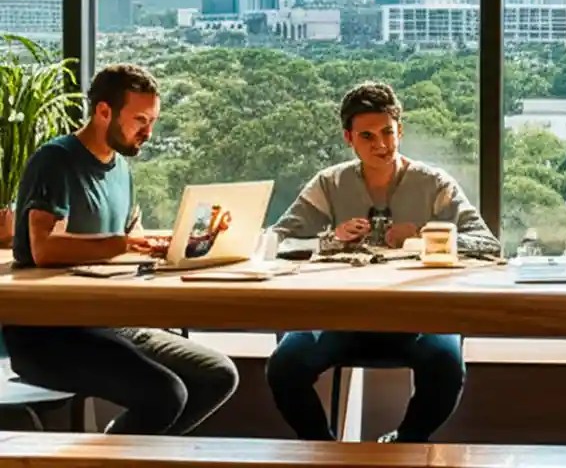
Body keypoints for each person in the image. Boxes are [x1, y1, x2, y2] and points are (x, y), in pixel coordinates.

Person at [2, 64, 239, 435]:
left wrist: (167, 247)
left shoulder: (120, 169)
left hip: (110, 320)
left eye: (153, 121)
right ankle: (110, 457)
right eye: (140, 120)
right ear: (103, 111)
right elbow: (44, 248)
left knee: (218, 375)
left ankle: (121, 451)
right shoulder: (56, 161)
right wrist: (124, 244)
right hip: (52, 334)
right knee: (166, 394)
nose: (149, 132)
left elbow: (131, 237)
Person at [266, 82, 499, 444]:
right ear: (349, 138)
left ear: (399, 130)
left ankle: (406, 446)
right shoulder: (329, 184)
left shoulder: (434, 184)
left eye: (388, 133)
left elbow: (488, 245)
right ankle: (325, 451)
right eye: (367, 136)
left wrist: (422, 235)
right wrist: (331, 238)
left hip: (418, 316)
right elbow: (275, 241)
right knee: (284, 367)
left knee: (446, 365)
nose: (381, 145)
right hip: (339, 317)